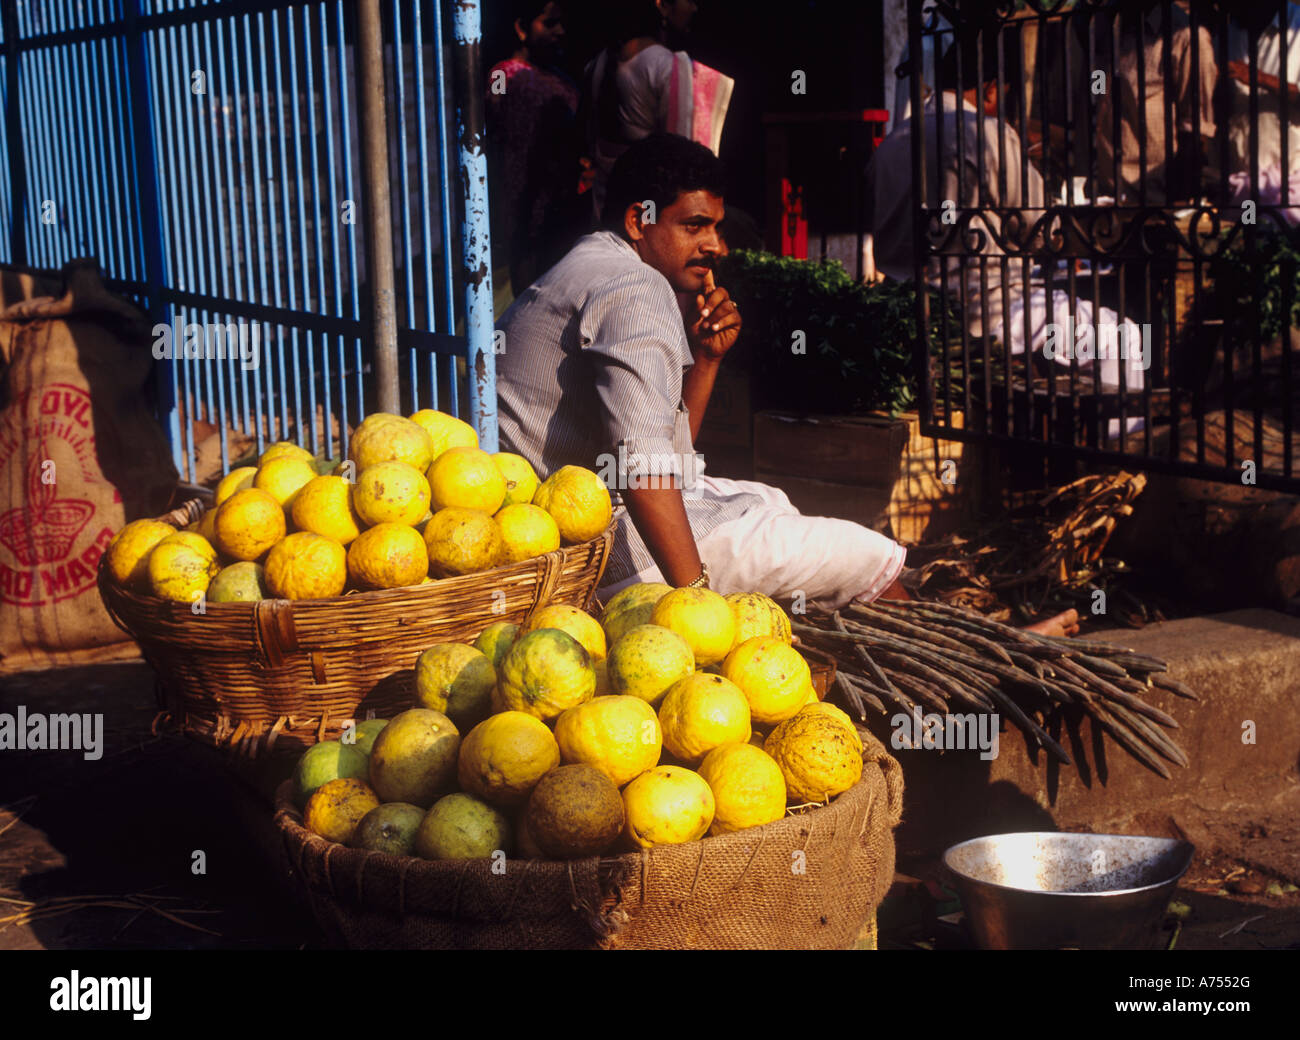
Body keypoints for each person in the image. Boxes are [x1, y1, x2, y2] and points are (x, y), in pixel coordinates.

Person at [494, 133, 1080, 634]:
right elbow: (647, 474)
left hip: (557, 519)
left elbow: (671, 456)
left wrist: (706, 360)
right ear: (637, 221)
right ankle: (981, 661)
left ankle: (890, 645)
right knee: (862, 551)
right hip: (590, 547)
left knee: (771, 502)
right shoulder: (634, 289)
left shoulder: (586, 262)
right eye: (693, 225)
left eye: (717, 227)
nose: (716, 246)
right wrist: (695, 600)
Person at [869, 30, 1148, 405]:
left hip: (909, 307)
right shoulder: (986, 134)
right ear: (989, 89)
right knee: (1125, 336)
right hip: (984, 312)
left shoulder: (891, 145)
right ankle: (1120, 460)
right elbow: (1041, 229)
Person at [579, 1, 732, 220]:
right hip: (648, 200)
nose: (694, 8)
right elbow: (680, 151)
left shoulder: (599, 62)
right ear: (662, 5)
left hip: (604, 198)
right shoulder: (665, 65)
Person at [485, 0, 590, 297]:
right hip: (524, 209)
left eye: (561, 24)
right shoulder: (503, 75)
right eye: (549, 23)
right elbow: (488, 121)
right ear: (521, 28)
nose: (559, 31)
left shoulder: (559, 77)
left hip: (564, 204)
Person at [1092, 1, 1218, 206]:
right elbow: (1097, 91)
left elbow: (1196, 125)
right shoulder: (1107, 27)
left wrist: (1178, 197)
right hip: (1104, 190)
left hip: (1152, 194)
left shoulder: (1186, 36)